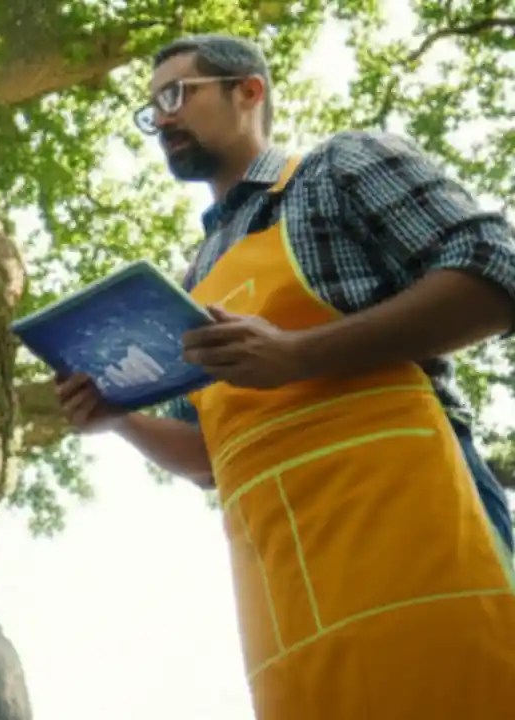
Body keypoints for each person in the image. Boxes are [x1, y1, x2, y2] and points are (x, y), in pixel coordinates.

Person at [56, 34, 515, 719]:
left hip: (419, 534)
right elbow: (207, 456)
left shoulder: (340, 166)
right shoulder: (191, 281)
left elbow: (494, 273)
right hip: (281, 602)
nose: (163, 119)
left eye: (177, 94)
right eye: (152, 110)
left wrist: (300, 355)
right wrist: (118, 417)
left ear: (249, 91)